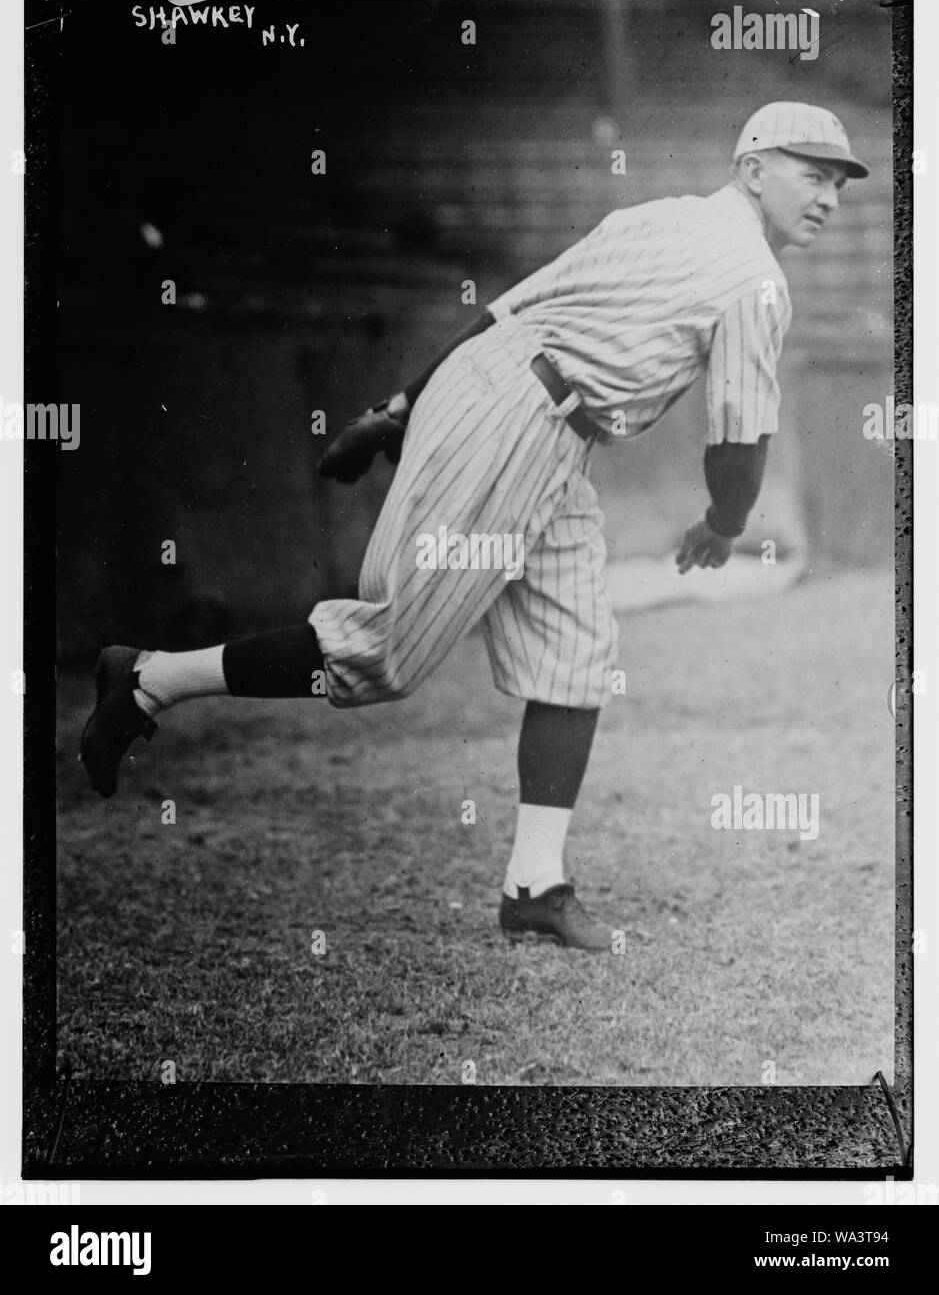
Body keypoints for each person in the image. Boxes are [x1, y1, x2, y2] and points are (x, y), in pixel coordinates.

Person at [80, 101, 869, 951]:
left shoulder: (663, 216)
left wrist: (398, 405)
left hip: (532, 417)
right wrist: (722, 524)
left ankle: (534, 885)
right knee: (386, 651)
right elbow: (739, 437)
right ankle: (151, 677)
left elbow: (501, 311)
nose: (826, 197)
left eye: (836, 182)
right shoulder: (753, 278)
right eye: (809, 174)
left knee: (575, 654)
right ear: (751, 169)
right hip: (518, 420)